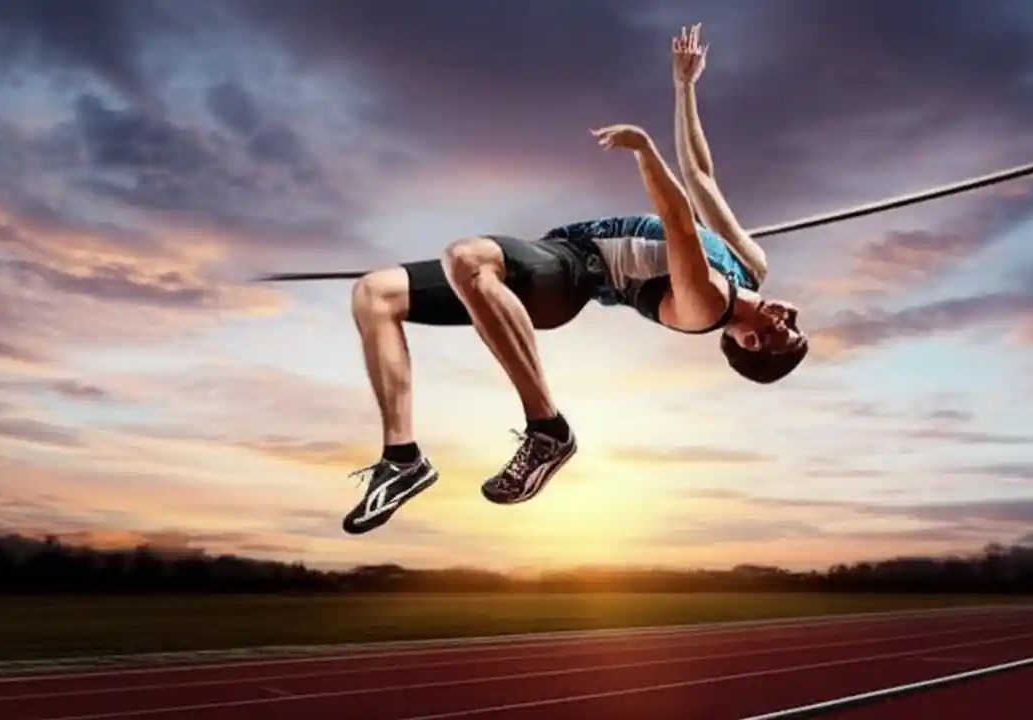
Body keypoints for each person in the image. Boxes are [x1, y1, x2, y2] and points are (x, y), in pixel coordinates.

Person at [342, 24, 807, 535]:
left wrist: (644, 149)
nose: (785, 315)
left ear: (746, 340)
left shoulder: (706, 306)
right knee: (373, 294)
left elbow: (677, 219)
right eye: (792, 322)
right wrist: (685, 87)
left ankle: (548, 429)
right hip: (556, 249)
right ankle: (402, 459)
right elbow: (699, 177)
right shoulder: (749, 263)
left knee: (466, 259)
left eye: (778, 334)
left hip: (570, 278)